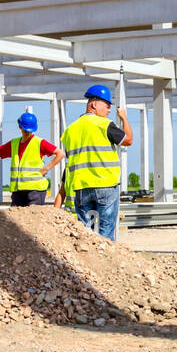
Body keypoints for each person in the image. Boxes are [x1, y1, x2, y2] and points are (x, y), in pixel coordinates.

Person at [54, 84, 132, 239]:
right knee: (106, 233)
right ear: (94, 104)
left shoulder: (69, 130)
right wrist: (123, 117)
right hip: (105, 185)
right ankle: (105, 261)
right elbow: (128, 140)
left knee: (85, 234)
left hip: (82, 188)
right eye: (107, 106)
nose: (109, 110)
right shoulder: (104, 125)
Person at [0, 111, 64, 206]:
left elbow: (60, 153)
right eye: (25, 130)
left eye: (30, 130)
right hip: (18, 191)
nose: (28, 132)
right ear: (20, 126)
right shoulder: (14, 143)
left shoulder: (39, 142)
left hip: (35, 191)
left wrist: (46, 168)